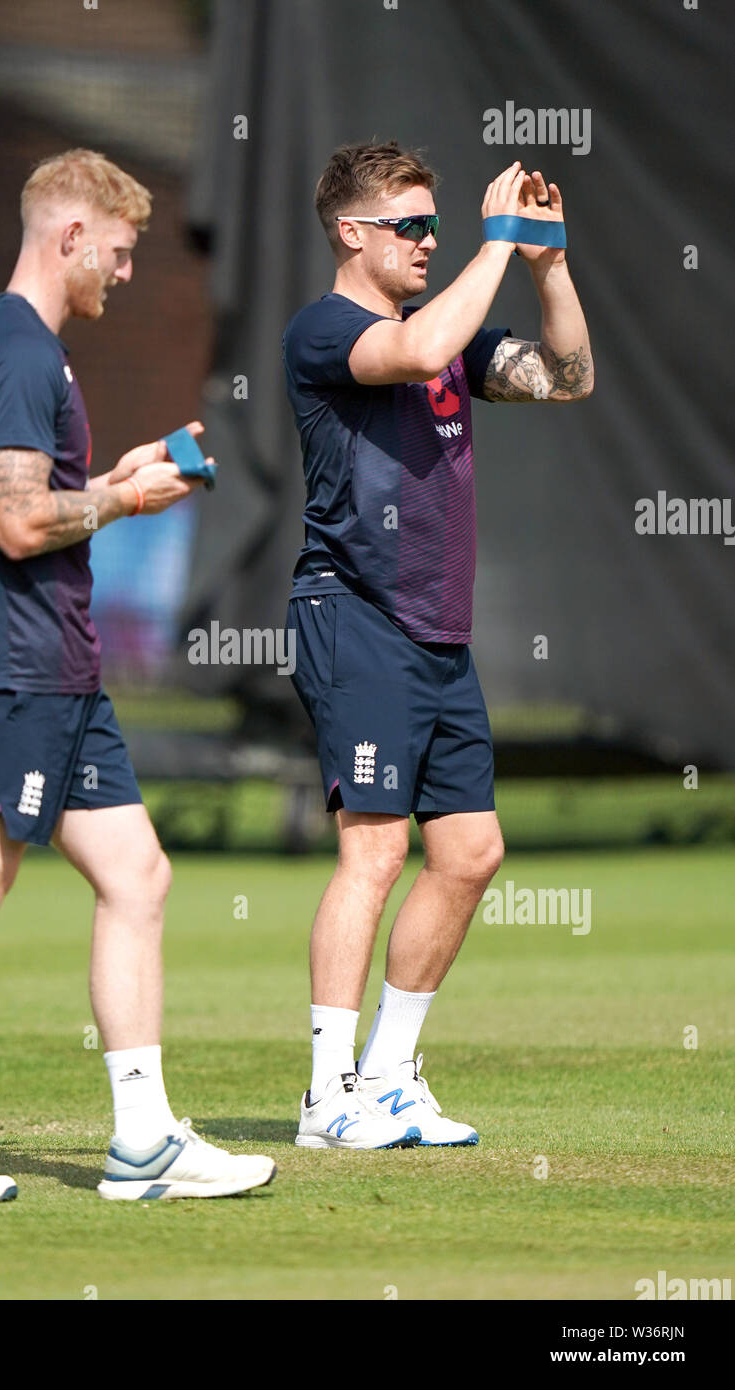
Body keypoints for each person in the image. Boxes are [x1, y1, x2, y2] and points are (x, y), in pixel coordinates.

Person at [0, 148, 275, 1203]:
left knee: (138, 877)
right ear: (70, 235)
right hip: (11, 668)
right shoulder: (20, 353)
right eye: (119, 253)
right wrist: (124, 504)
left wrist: (115, 475)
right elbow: (17, 517)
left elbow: (42, 492)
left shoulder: (18, 351)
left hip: (63, 673)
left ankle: (143, 1143)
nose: (124, 274)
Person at [282, 141, 593, 1149]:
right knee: (372, 850)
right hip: (356, 615)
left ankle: (388, 1077)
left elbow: (567, 376)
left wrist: (547, 265)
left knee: (469, 850)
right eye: (408, 224)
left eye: (435, 223)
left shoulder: (446, 331)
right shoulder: (327, 331)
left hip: (436, 633)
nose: (427, 239)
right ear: (350, 231)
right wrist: (497, 244)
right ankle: (328, 1099)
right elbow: (411, 355)